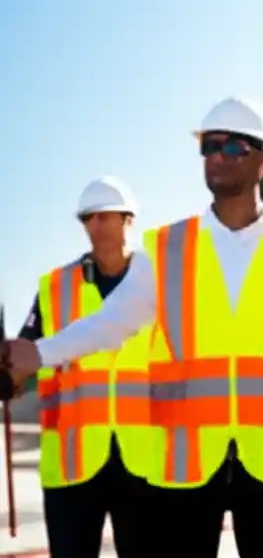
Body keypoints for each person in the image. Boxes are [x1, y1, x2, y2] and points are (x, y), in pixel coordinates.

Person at [2, 96, 263, 558]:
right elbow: (112, 322)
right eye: (210, 145)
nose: (217, 156)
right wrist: (40, 353)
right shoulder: (167, 247)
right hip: (187, 459)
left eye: (233, 146)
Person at [10, 177, 153, 557]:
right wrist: (8, 377)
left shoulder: (160, 282)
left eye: (106, 217)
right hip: (73, 463)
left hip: (144, 459)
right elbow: (25, 359)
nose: (96, 226)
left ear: (128, 220)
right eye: (88, 219)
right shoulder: (55, 287)